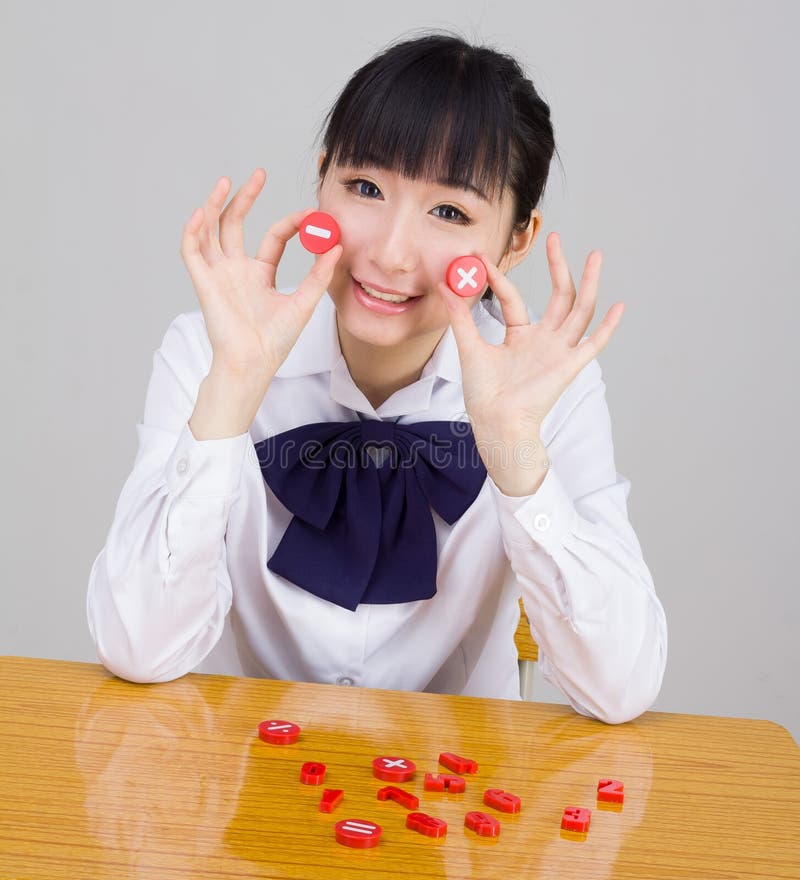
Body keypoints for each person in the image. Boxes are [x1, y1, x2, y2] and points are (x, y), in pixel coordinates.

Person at [86, 31, 667, 724]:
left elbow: (619, 688)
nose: (391, 254)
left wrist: (515, 449)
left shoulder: (550, 386)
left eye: (449, 212)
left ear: (516, 239)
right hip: (239, 793)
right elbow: (136, 647)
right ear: (322, 177)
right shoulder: (209, 349)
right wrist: (233, 388)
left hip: (455, 807)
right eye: (364, 188)